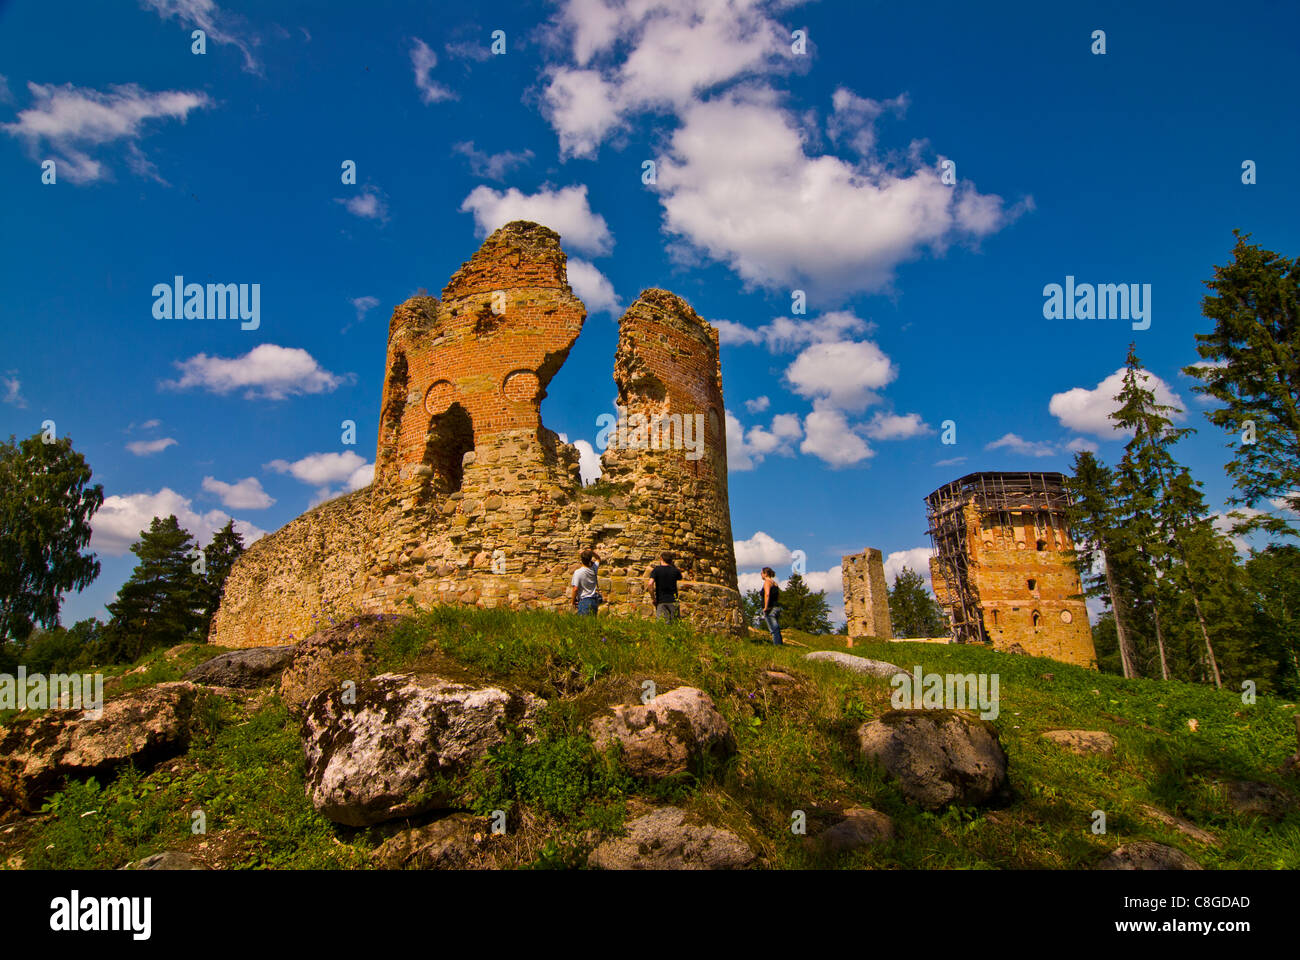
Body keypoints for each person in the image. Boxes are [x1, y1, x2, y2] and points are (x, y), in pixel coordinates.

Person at [645, 551, 683, 622]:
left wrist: (653, 598)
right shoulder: (675, 570)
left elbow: (650, 584)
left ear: (661, 558)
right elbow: (680, 577)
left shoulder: (656, 570)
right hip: (673, 601)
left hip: (661, 601)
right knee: (674, 625)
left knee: (662, 625)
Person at [569, 548, 602, 615]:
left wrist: (572, 603)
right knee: (592, 623)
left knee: (583, 623)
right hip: (594, 601)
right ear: (590, 559)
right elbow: (598, 558)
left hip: (584, 601)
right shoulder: (594, 568)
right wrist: (591, 552)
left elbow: (575, 589)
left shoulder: (578, 572)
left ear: (581, 559)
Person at [760, 567, 783, 645]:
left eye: (761, 573)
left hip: (770, 608)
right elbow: (778, 596)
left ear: (765, 574)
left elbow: (767, 594)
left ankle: (777, 646)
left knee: (773, 629)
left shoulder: (767, 582)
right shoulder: (774, 583)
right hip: (776, 607)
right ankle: (779, 644)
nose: (761, 575)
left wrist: (766, 607)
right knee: (776, 628)